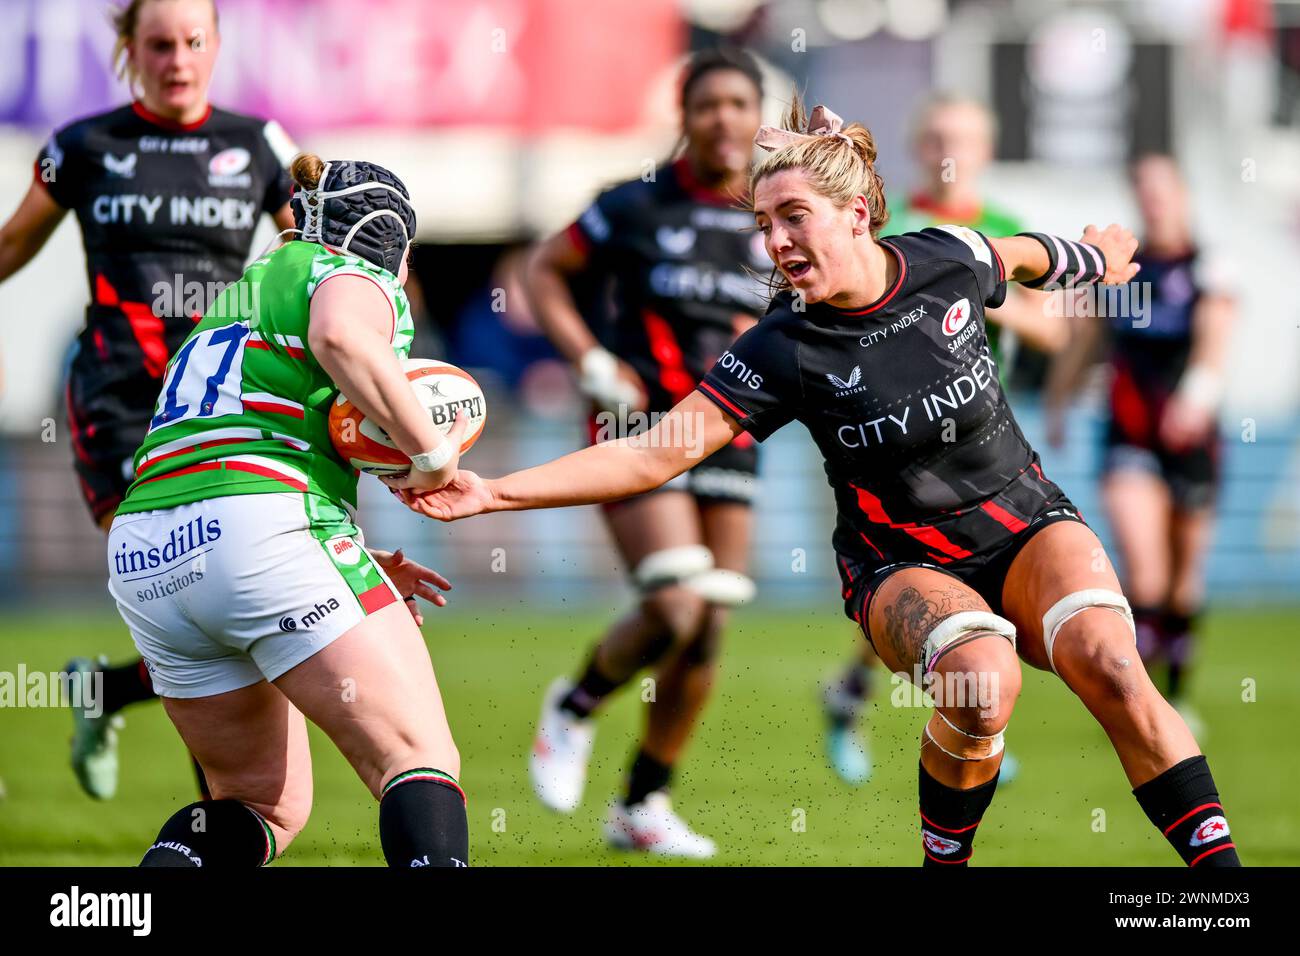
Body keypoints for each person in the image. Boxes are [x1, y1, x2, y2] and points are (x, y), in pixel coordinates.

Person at [393, 98, 1241, 867]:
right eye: (765, 225)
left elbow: (1024, 257)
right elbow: (653, 454)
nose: (777, 243)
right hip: (901, 564)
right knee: (984, 689)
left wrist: (1091, 258)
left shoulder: (947, 259)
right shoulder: (780, 346)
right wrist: (494, 491)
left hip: (1025, 521)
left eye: (794, 217)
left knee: (1114, 666)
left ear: (859, 213)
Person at [108, 152, 473, 867]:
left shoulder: (238, 296)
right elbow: (340, 335)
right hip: (263, 527)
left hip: (147, 549)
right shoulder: (346, 272)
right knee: (417, 753)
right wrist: (433, 453)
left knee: (255, 803)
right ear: (394, 244)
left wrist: (348, 557)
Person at [0, 0, 298, 799]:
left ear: (216, 46)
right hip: (118, 400)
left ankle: (108, 694)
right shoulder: (84, 148)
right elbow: (8, 246)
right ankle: (221, 824)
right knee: (201, 592)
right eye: (158, 44)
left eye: (192, 42)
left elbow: (321, 250)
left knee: (226, 614)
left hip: (218, 401)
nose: (177, 59)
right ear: (129, 50)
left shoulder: (259, 144)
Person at [518, 48, 769, 857]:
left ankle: (640, 807)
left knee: (707, 629)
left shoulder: (777, 214)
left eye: (739, 103)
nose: (724, 118)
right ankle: (576, 704)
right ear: (685, 117)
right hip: (639, 424)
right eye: (708, 105)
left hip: (729, 428)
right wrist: (589, 360)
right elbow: (543, 271)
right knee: (675, 602)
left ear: (757, 115)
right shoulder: (633, 205)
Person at [819, 94, 1068, 786]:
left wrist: (966, 286)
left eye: (961, 137)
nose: (947, 150)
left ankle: (871, 698)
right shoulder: (893, 219)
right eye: (934, 137)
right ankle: (967, 715)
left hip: (983, 443)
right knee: (921, 586)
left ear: (985, 150)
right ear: (917, 146)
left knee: (959, 591)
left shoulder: (1004, 229)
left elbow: (1055, 329)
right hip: (891, 440)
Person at [1046, 153, 1236, 736]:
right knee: (1145, 573)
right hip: (1129, 435)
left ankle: (1180, 695)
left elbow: (1214, 340)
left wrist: (1195, 398)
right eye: (1143, 189)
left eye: (1162, 188)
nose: (1153, 199)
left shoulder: (1210, 265)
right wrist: (1059, 400)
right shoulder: (1123, 270)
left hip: (1192, 436)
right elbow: (1087, 341)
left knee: (1184, 580)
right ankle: (1141, 700)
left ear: (1181, 193)